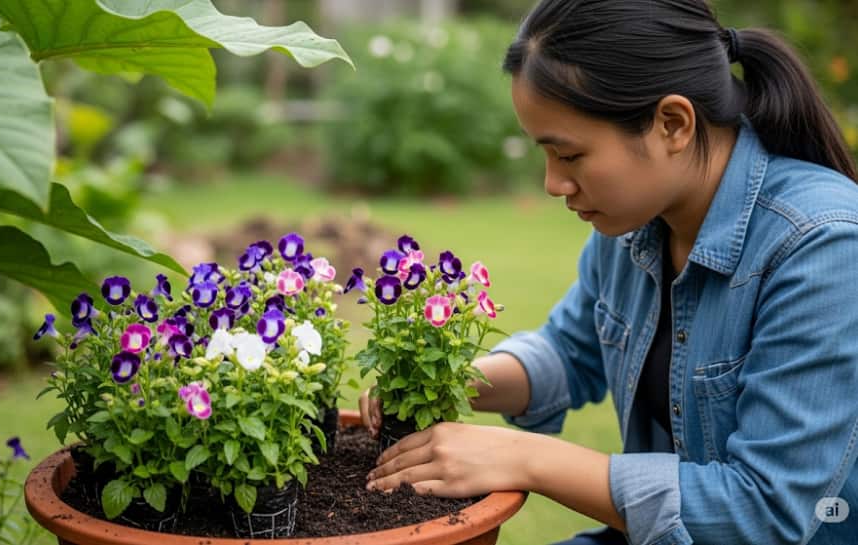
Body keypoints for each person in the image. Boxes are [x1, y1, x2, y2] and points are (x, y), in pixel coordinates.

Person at [358, 1, 858, 544]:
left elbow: (766, 510)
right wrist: (440, 378)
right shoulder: (637, 225)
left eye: (569, 155)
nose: (553, 183)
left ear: (673, 123)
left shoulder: (821, 245)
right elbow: (572, 350)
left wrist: (525, 458)